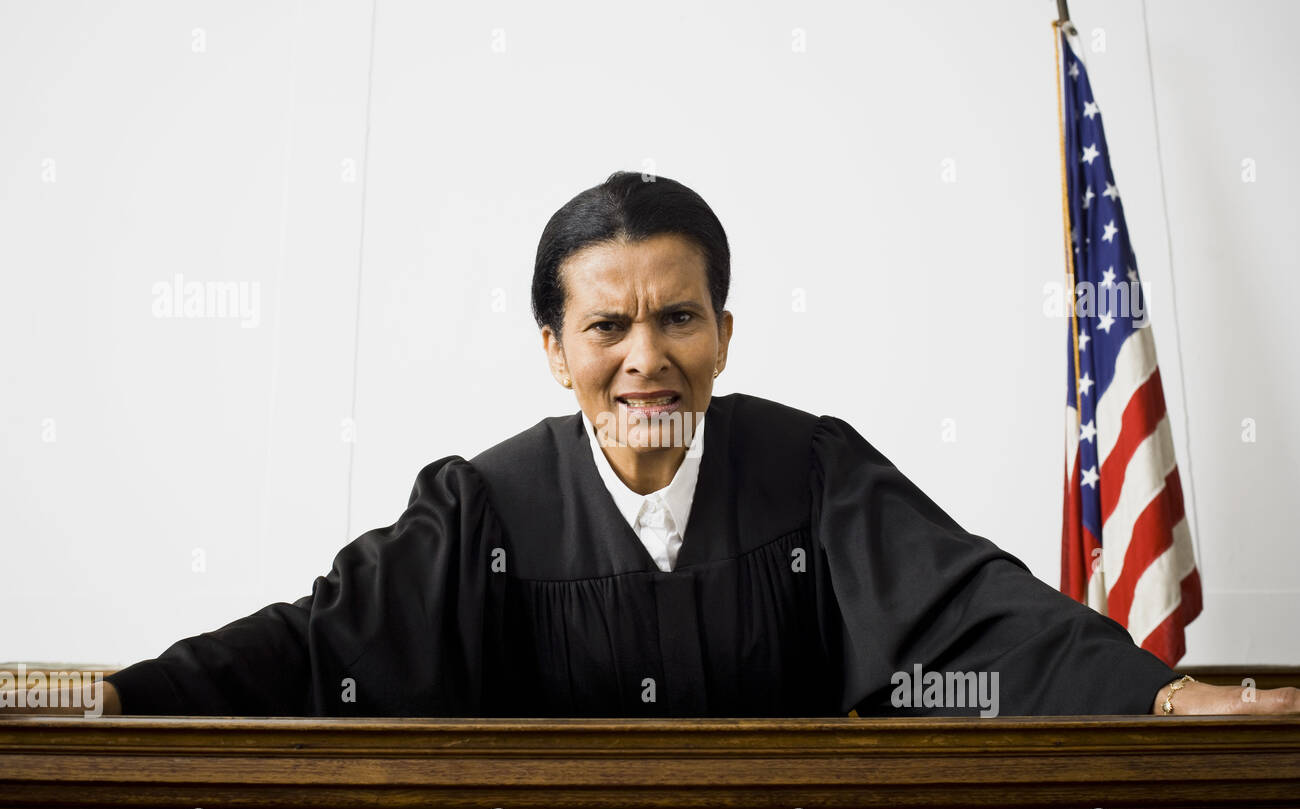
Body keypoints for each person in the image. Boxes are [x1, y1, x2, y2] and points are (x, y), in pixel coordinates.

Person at [95, 172, 1296, 719]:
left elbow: (978, 623)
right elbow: (321, 647)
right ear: (554, 349)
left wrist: (1154, 696)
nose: (643, 356)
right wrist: (118, 699)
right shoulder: (486, 509)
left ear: (724, 332)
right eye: (606, 325)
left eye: (677, 318)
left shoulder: (812, 473)